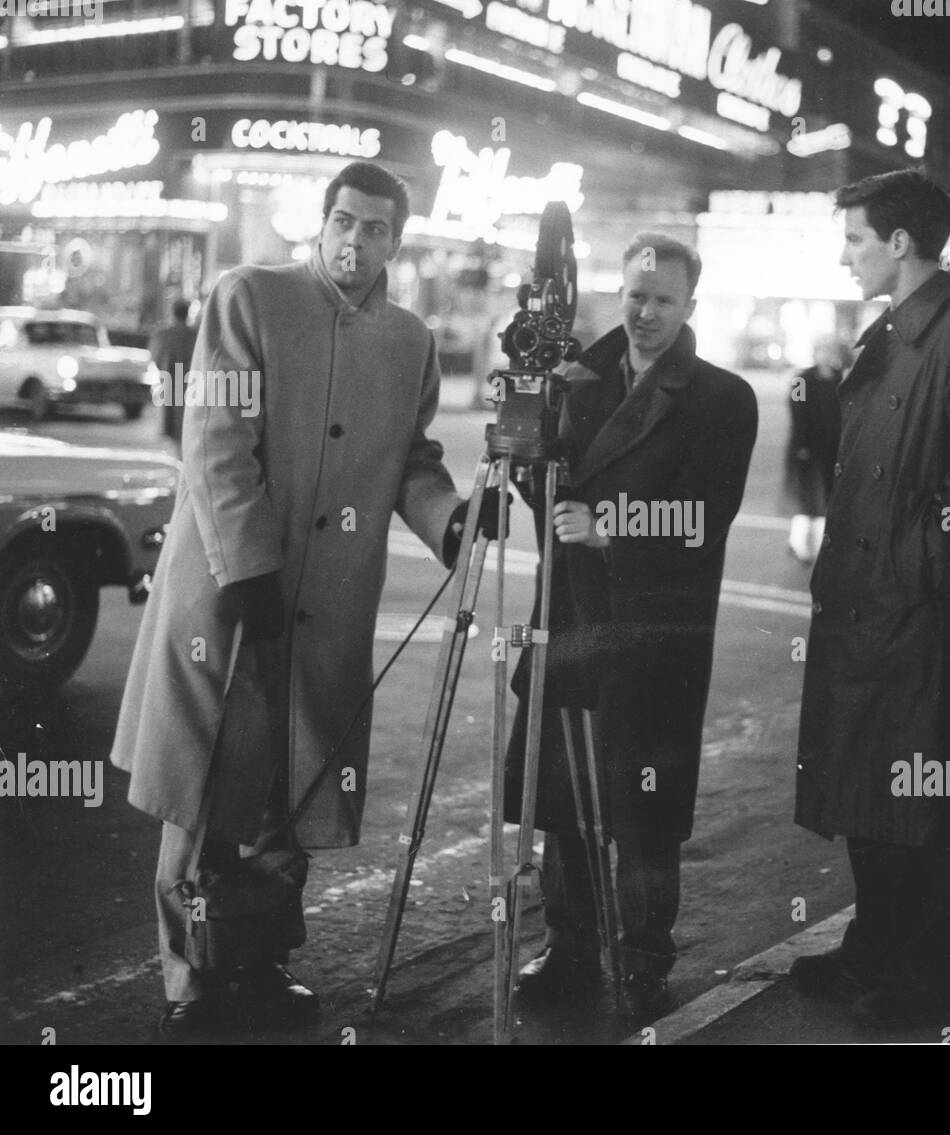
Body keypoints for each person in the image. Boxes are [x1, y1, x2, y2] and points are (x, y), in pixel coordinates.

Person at [110, 161, 499, 1040]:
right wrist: (248, 571)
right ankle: (193, 983)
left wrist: (452, 520)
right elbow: (215, 443)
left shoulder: (411, 342)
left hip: (327, 609)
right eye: (343, 223)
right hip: (228, 598)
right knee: (205, 796)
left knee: (291, 791)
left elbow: (414, 459)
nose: (355, 242)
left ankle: (261, 960)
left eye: (375, 230)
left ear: (397, 242)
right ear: (320, 224)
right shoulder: (247, 297)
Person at [788, 170, 950, 1026]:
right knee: (871, 791)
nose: (845, 253)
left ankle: (919, 980)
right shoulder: (892, 329)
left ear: (900, 243)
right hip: (868, 607)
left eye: (856, 237)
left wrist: (919, 562)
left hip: (924, 618)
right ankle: (874, 950)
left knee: (925, 804)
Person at [504, 231, 758, 1018]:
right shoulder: (577, 381)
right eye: (635, 296)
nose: (644, 314)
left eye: (662, 301)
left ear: (690, 305)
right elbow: (539, 492)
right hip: (575, 615)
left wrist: (611, 523)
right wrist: (520, 422)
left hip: (656, 633)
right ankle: (569, 945)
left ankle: (644, 954)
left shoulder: (721, 397)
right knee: (564, 802)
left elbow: (708, 516)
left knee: (641, 811)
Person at [784, 337, 848, 563]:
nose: (829, 356)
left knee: (827, 494)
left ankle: (817, 542)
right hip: (807, 447)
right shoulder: (802, 380)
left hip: (832, 447)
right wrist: (801, 443)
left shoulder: (840, 379)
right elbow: (796, 410)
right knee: (807, 495)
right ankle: (800, 542)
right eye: (824, 351)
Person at [149, 297, 197, 447]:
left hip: (170, 380)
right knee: (188, 421)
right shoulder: (195, 335)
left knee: (172, 422)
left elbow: (155, 357)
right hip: (192, 383)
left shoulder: (163, 334)